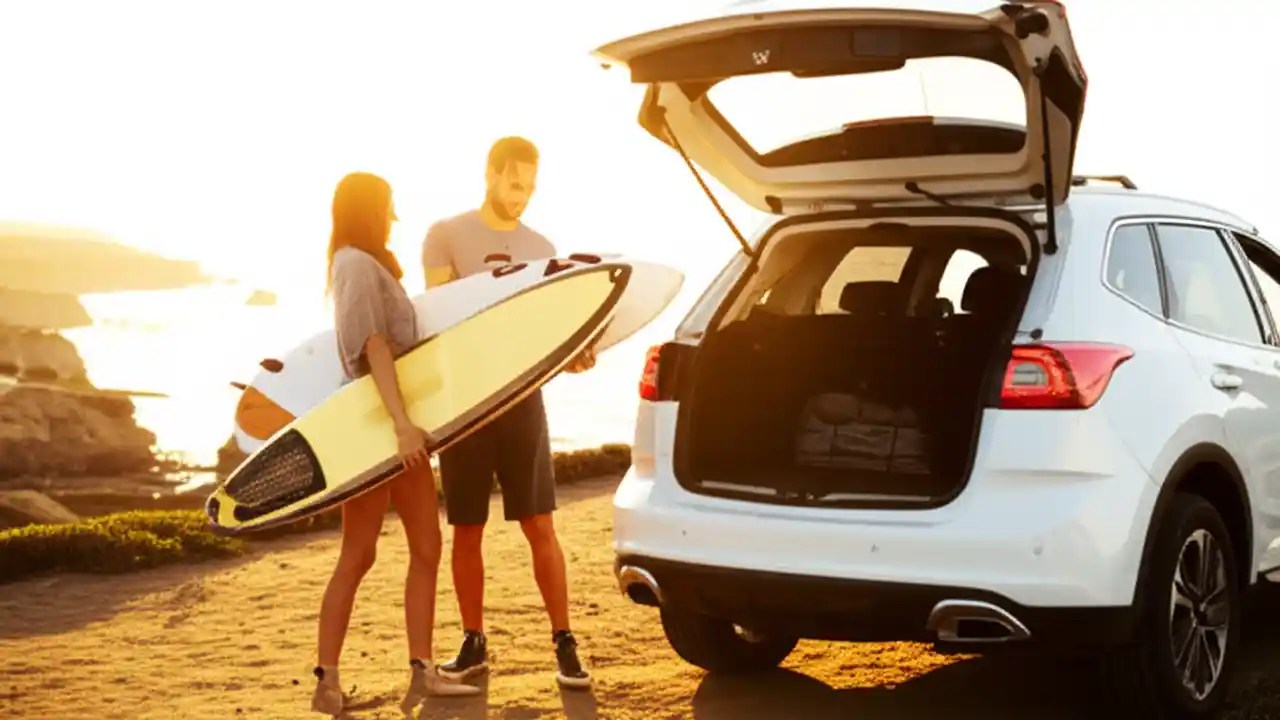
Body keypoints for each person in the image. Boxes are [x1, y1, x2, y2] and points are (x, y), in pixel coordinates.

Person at [421, 137, 595, 689]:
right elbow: (441, 322)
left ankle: (564, 640)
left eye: (531, 186)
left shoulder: (542, 247)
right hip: (467, 406)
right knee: (467, 529)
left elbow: (548, 331)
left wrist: (573, 355)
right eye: (515, 182)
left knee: (539, 524)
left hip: (523, 401)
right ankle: (473, 642)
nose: (523, 195)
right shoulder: (446, 235)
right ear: (491, 174)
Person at [311, 171, 480, 717]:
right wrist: (403, 425)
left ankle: (420, 673)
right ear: (368, 209)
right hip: (377, 429)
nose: (393, 217)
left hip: (395, 425)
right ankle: (328, 682)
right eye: (387, 207)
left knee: (425, 546)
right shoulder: (355, 265)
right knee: (359, 554)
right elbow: (373, 346)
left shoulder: (359, 263)